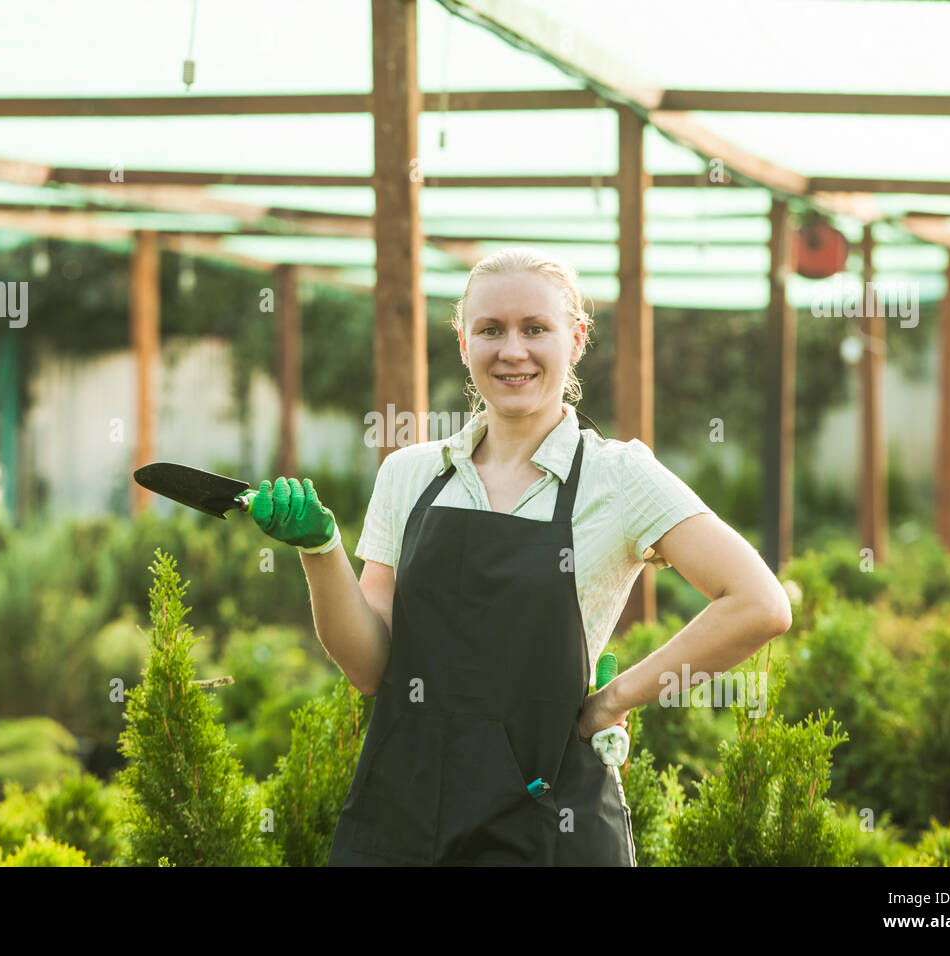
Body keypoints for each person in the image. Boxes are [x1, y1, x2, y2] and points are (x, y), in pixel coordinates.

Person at [245, 247, 793, 866]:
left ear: (577, 337)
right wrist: (321, 552)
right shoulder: (411, 474)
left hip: (549, 821)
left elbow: (759, 604)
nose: (513, 350)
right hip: (404, 813)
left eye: (536, 329)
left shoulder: (618, 477)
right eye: (490, 330)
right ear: (462, 341)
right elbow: (372, 669)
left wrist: (615, 701)